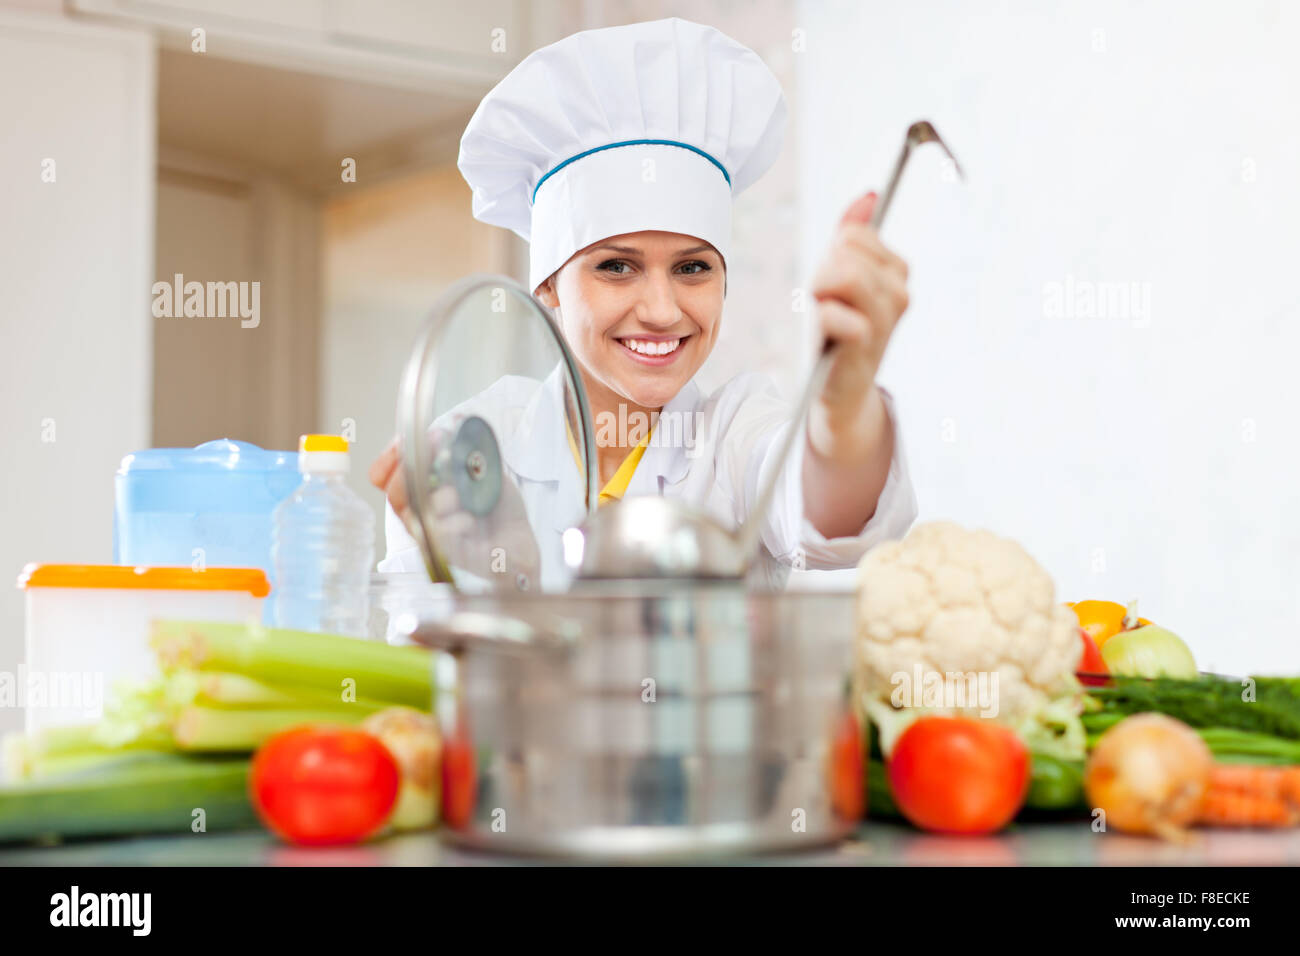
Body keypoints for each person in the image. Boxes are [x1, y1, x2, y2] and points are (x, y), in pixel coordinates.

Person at [368, 16, 917, 590]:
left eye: (692, 268)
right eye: (617, 267)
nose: (661, 309)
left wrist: (843, 401)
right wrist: (502, 577)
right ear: (549, 283)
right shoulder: (476, 449)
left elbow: (828, 507)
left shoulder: (735, 435)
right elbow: (420, 662)